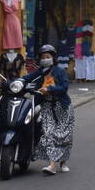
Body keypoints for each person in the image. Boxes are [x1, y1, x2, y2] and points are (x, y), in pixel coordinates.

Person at [26, 44, 74, 175]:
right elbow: (26, 79)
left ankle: (63, 162)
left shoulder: (60, 71)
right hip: (46, 106)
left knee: (63, 136)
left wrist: (49, 89)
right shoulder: (39, 73)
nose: (45, 59)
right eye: (43, 57)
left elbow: (64, 88)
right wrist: (14, 83)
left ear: (53, 58)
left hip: (62, 106)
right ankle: (52, 165)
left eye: (48, 56)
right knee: (48, 134)